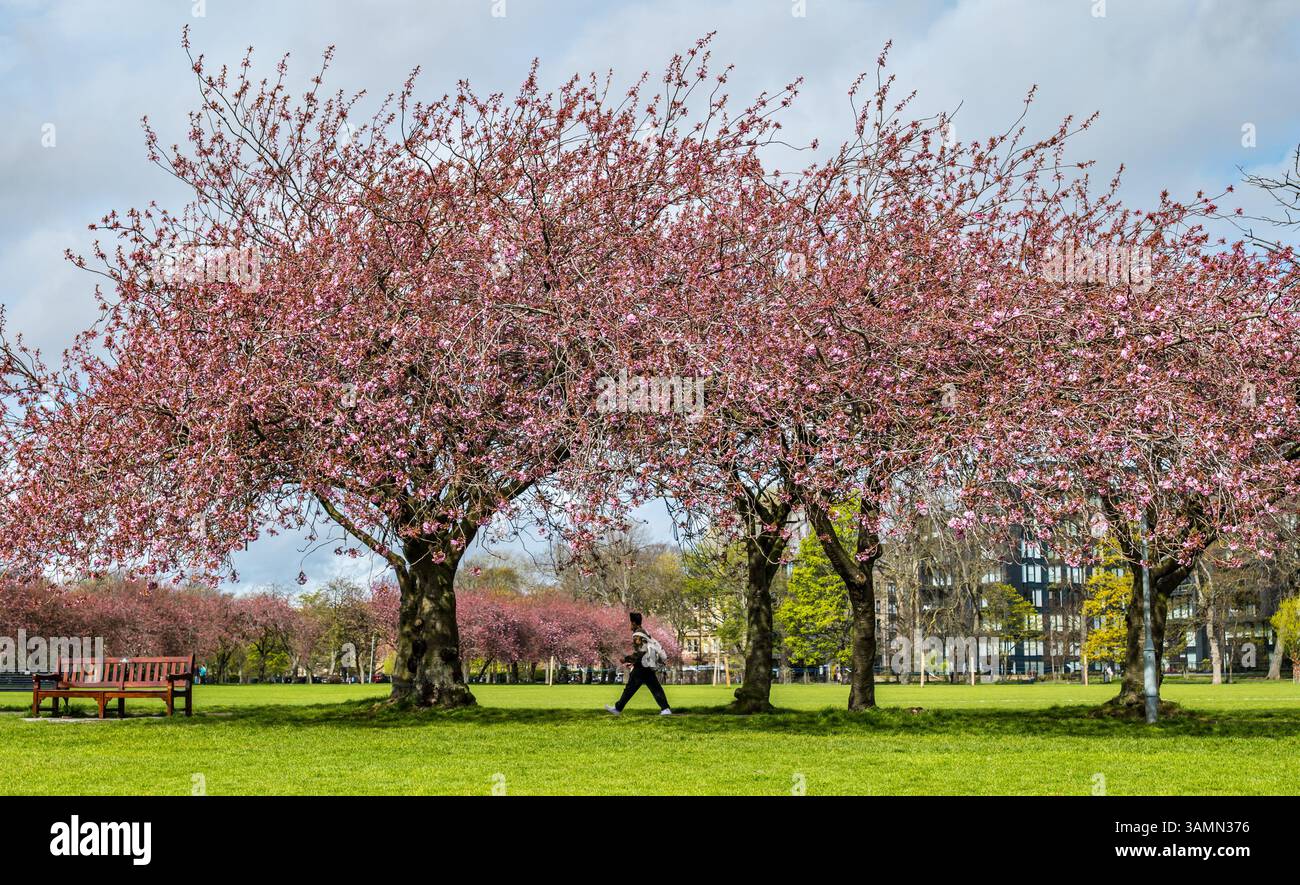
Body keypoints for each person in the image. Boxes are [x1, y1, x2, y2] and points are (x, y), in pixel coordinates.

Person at [604, 612, 672, 716]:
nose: (630, 625)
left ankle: (618, 708)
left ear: (634, 623)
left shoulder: (638, 635)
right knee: (654, 687)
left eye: (630, 623)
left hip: (642, 666)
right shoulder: (644, 632)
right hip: (647, 665)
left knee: (630, 688)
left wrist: (627, 659)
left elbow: (641, 652)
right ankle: (665, 709)